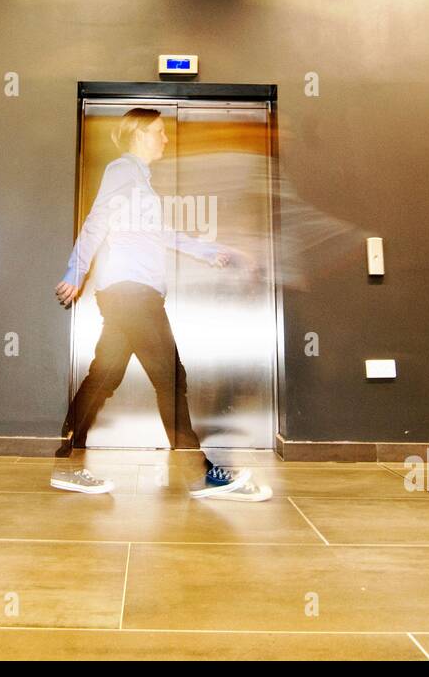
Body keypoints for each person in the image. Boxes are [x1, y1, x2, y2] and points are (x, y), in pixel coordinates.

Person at [50, 107, 269, 501]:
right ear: (137, 134)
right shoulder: (123, 171)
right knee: (171, 378)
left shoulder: (139, 183)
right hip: (131, 292)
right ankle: (199, 472)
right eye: (158, 132)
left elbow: (165, 235)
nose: (164, 139)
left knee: (104, 376)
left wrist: (216, 252)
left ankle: (67, 463)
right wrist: (74, 271)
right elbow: (97, 220)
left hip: (126, 292)